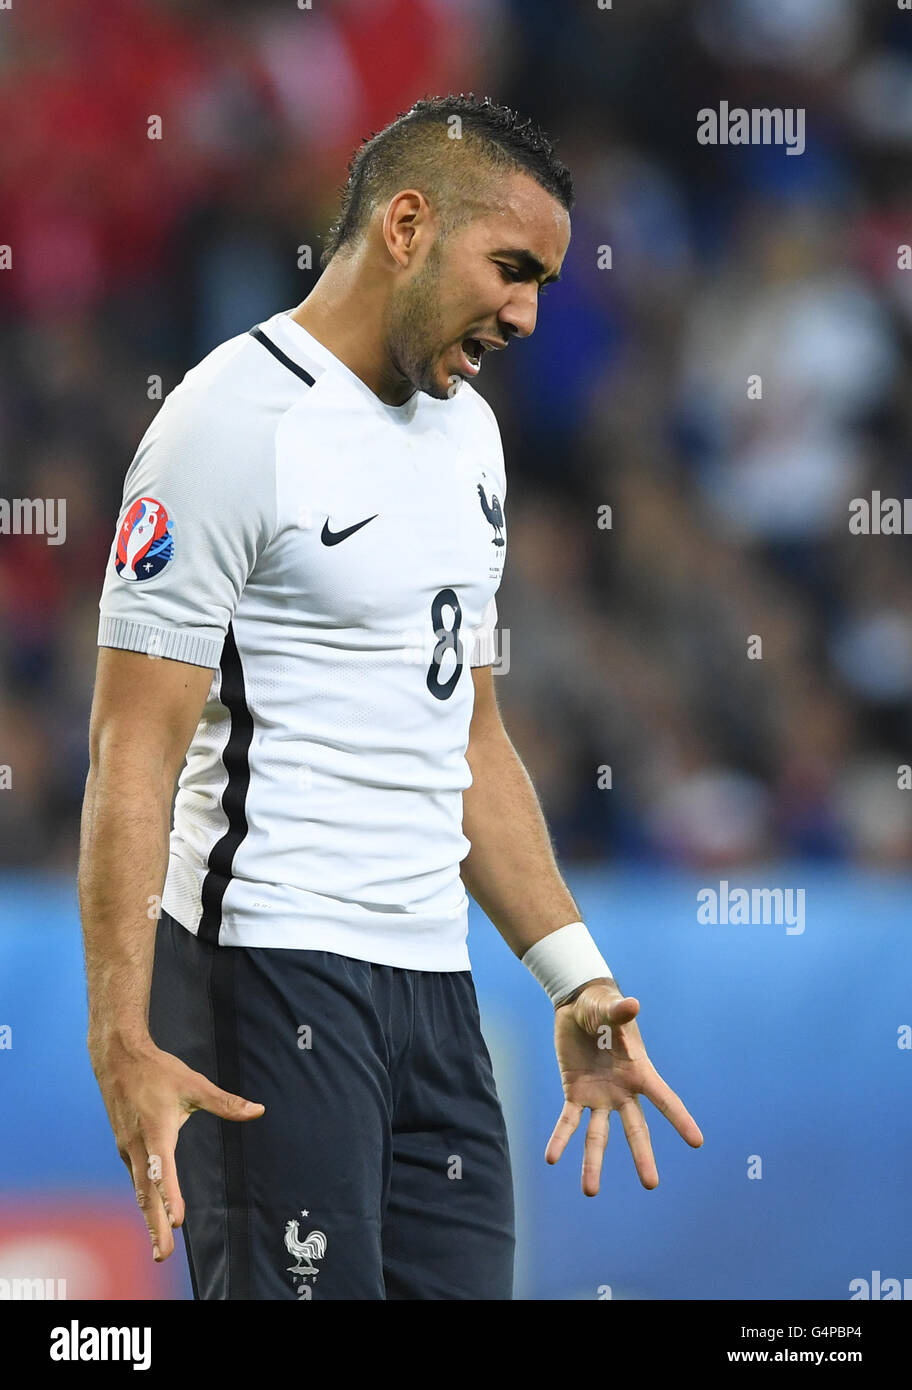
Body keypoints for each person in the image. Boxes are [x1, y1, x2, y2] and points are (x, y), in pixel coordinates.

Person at [78, 93, 702, 1302]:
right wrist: (123, 1030)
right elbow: (131, 747)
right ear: (408, 224)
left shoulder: (471, 438)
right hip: (267, 967)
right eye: (511, 269)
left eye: (542, 287)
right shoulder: (227, 422)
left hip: (435, 986)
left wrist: (574, 975)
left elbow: (463, 730)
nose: (525, 313)